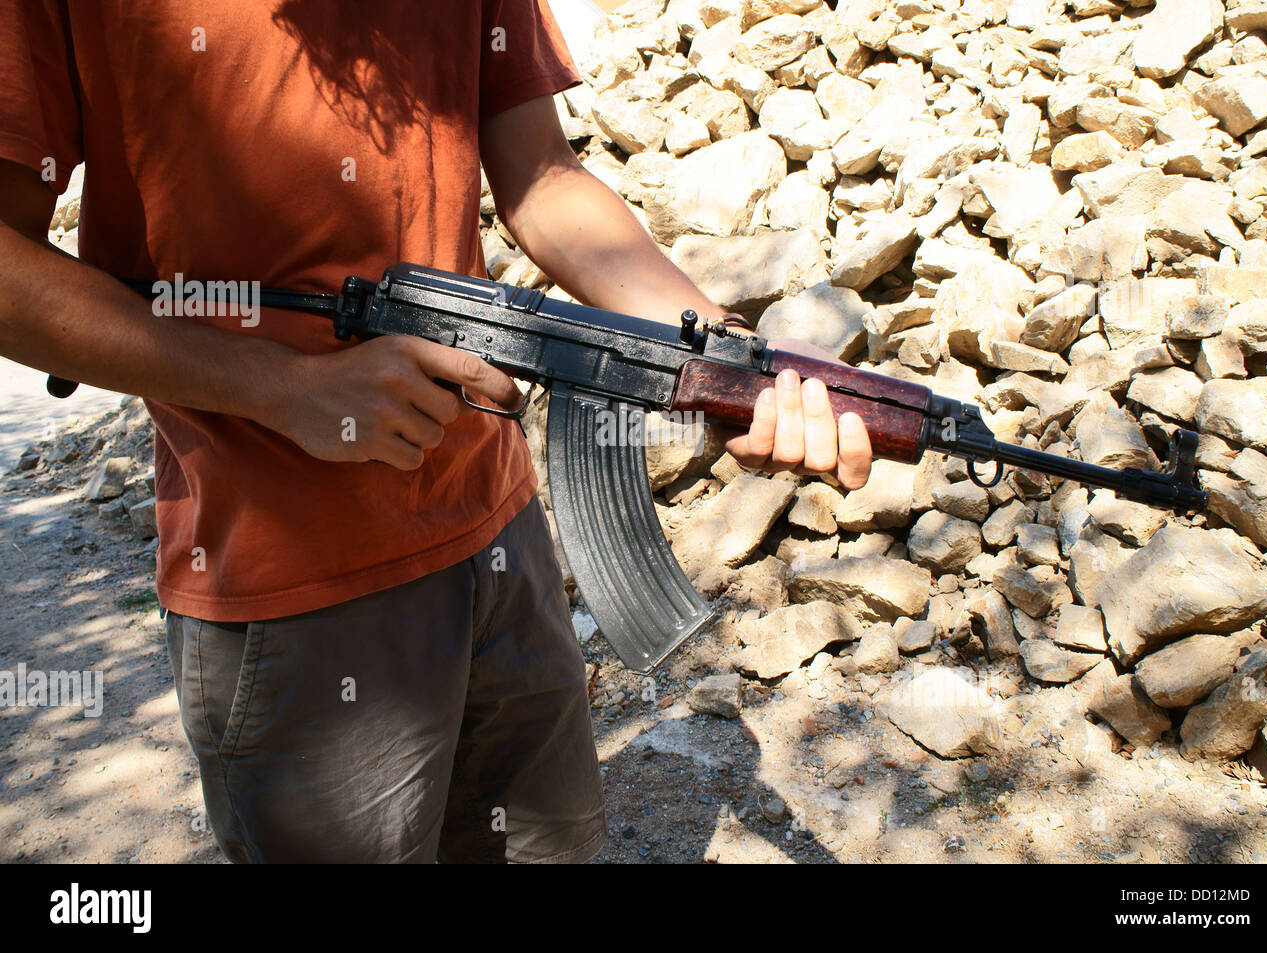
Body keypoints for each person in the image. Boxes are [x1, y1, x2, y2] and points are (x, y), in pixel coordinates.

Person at [0, 0, 873, 862]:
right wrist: (288, 389)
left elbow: (542, 179)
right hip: (292, 589)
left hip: (500, 536)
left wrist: (732, 360)